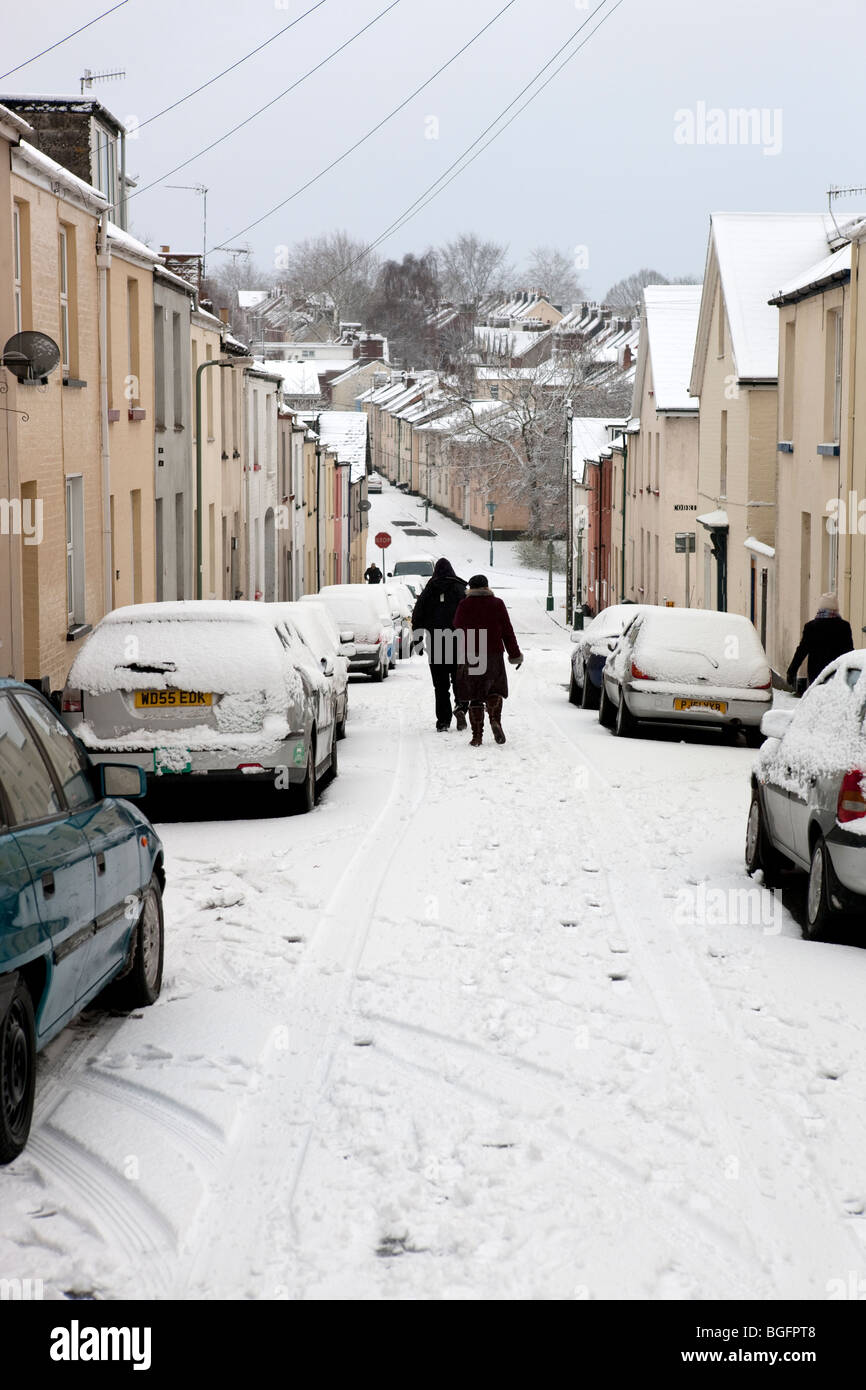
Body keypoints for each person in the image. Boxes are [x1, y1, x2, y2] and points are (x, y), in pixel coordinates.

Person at [453, 574, 523, 746]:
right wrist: (514, 654)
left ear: (470, 588)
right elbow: (507, 630)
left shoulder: (464, 604)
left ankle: (477, 736)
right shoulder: (497, 603)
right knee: (494, 690)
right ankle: (495, 720)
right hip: (493, 654)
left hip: (471, 655)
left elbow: (457, 625)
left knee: (474, 695)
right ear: (487, 586)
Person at [411, 558, 469, 731]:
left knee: (440, 685)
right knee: (459, 679)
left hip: (435, 643)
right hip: (458, 642)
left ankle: (443, 721)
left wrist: (418, 642)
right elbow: (469, 615)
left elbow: (417, 617)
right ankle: (460, 706)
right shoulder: (460, 590)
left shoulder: (429, 590)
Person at [787, 593, 854, 690]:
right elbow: (849, 651)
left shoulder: (811, 627)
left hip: (816, 673)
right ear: (836, 608)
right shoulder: (844, 626)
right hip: (836, 672)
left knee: (817, 699)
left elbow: (801, 651)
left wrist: (792, 671)